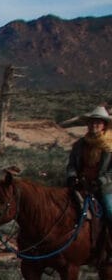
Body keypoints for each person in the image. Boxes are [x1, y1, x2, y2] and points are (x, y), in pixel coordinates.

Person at [61, 105, 112, 247]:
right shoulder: (79, 144)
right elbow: (71, 165)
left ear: (104, 125)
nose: (94, 125)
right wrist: (71, 177)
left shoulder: (110, 146)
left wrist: (100, 181)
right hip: (80, 184)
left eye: (98, 122)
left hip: (105, 187)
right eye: (91, 122)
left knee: (109, 210)